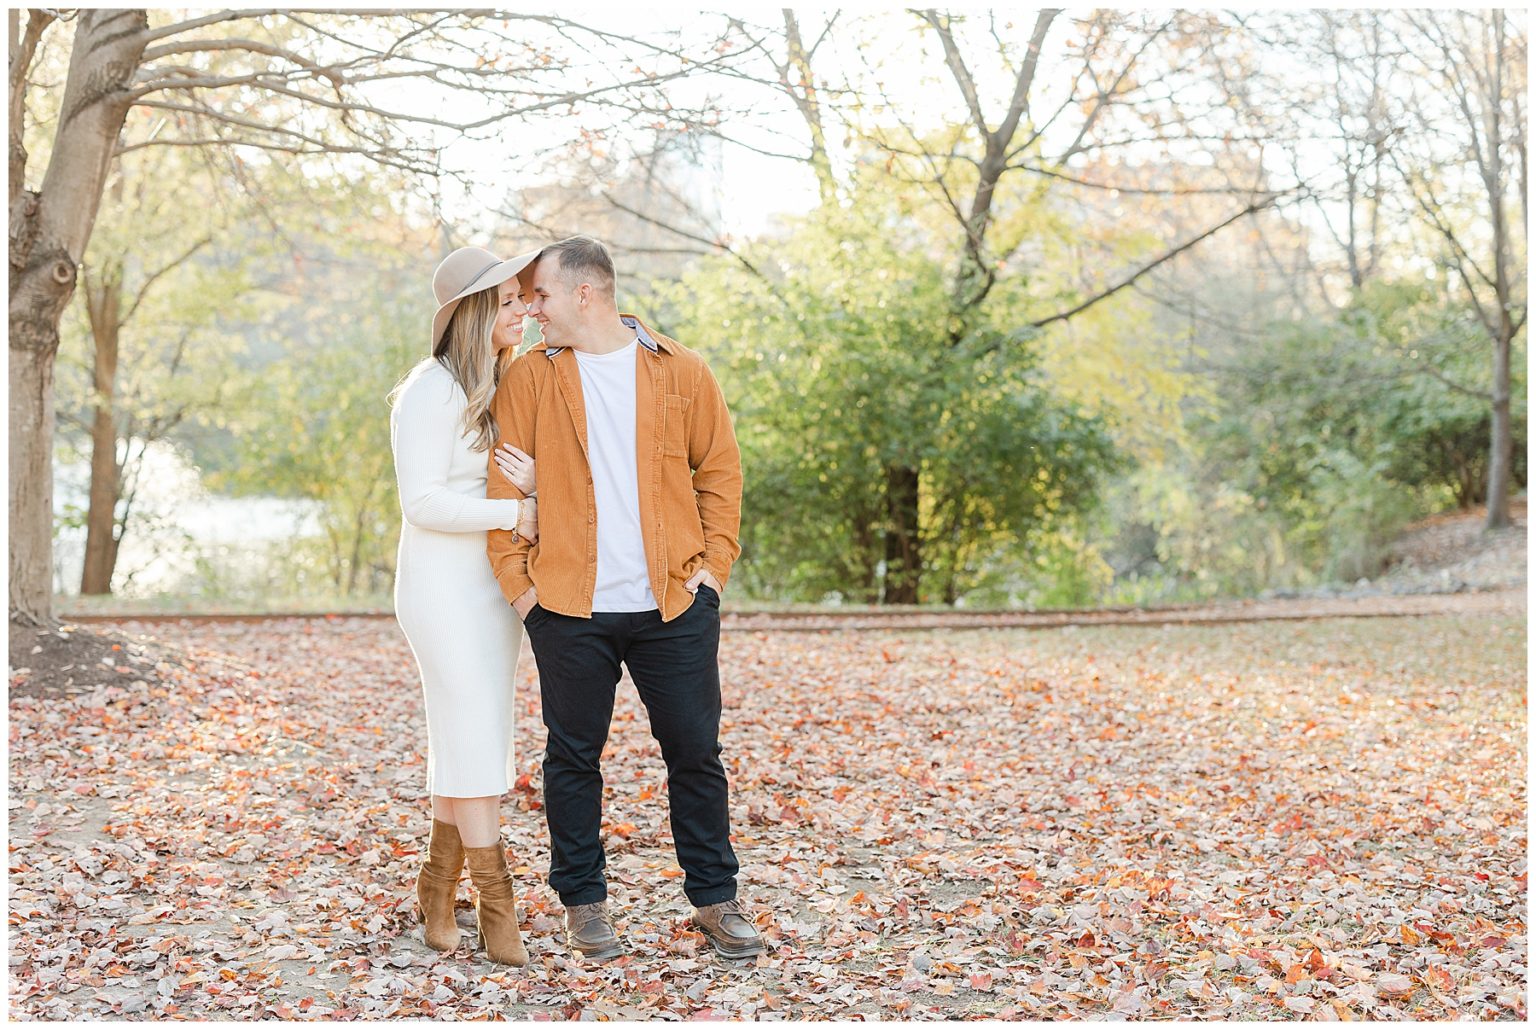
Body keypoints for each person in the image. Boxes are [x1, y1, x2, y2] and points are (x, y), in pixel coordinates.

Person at [484, 235, 764, 961]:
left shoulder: (682, 372)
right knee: (572, 759)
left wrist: (714, 572)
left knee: (696, 753)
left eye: (539, 295)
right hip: (568, 607)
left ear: (585, 293)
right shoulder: (529, 380)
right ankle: (584, 905)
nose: (531, 310)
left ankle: (715, 900)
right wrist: (524, 595)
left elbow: (721, 474)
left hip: (673, 604)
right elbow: (501, 496)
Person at [389, 244, 543, 967]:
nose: (523, 310)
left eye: (522, 299)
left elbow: (512, 488)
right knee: (475, 739)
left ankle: (434, 894)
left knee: (473, 738)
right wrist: (512, 513)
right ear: (475, 311)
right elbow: (420, 502)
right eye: (510, 301)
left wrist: (528, 495)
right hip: (439, 591)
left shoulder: (494, 383)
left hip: (487, 592)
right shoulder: (430, 388)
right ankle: (497, 908)